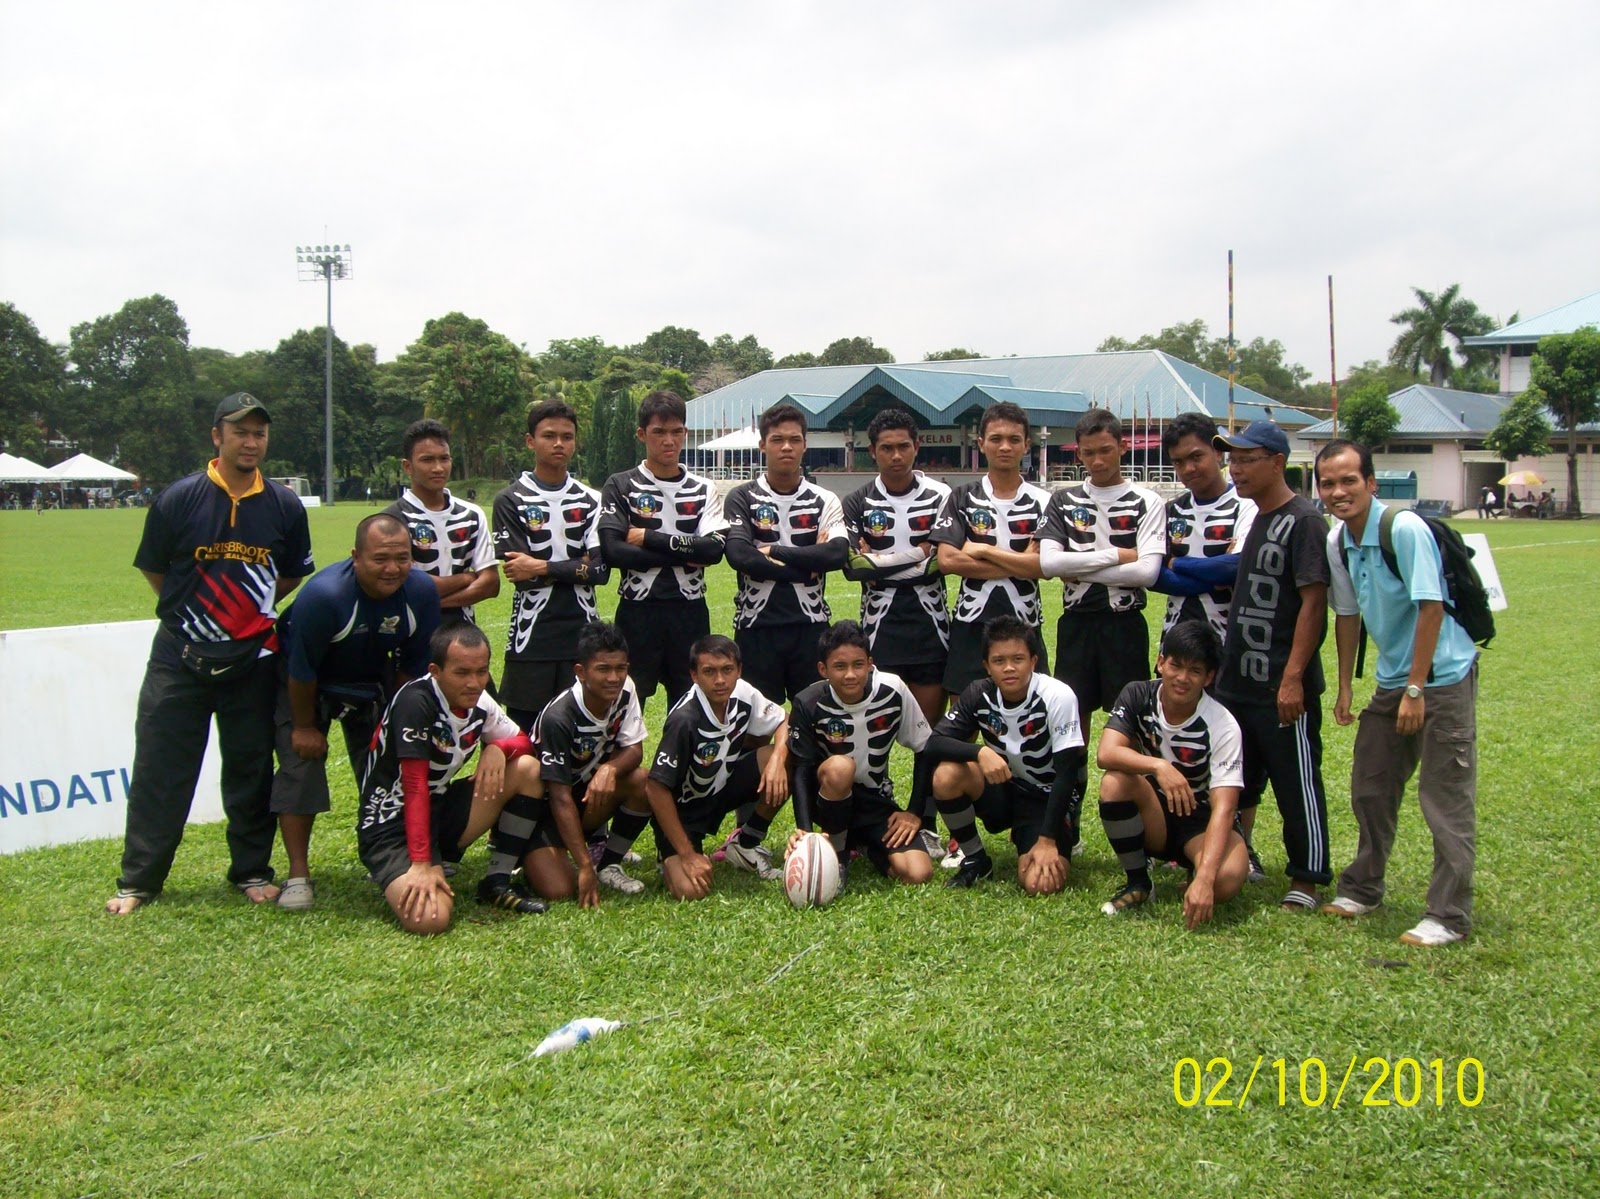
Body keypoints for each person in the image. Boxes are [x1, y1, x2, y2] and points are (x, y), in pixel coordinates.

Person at [107, 393, 313, 915]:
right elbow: (157, 571)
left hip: (252, 659)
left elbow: (290, 573)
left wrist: (246, 615)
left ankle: (251, 871)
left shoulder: (285, 505)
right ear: (216, 435)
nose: (251, 441)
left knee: (249, 769)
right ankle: (139, 883)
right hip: (179, 656)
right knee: (161, 769)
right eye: (240, 431)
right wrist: (196, 617)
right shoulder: (179, 499)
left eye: (259, 432)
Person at [1316, 440, 1479, 946]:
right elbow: (1347, 615)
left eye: (1348, 481)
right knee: (1371, 785)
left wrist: (1416, 688)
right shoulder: (1337, 540)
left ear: (1371, 483)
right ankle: (1363, 887)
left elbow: (1430, 607)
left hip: (1443, 678)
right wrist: (1345, 686)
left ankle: (1448, 915)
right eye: (1327, 483)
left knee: (1444, 797)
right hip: (1392, 682)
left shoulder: (1403, 528)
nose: (1338, 492)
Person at [269, 513, 441, 910]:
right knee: (300, 767)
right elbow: (301, 670)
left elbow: (411, 669)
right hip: (306, 682)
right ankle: (298, 875)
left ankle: (385, 856)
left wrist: (396, 724)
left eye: (403, 558)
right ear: (356, 557)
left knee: (385, 769)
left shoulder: (420, 592)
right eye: (381, 559)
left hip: (369, 680)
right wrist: (305, 726)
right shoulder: (325, 596)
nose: (393, 569)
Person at [1212, 420, 1333, 911]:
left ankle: (1307, 876)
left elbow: (1313, 602)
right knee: (1239, 781)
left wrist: (1292, 679)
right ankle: (1241, 859)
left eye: (1245, 459)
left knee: (1296, 779)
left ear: (1278, 462)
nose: (1234, 469)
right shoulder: (1259, 516)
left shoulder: (1303, 520)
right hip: (1239, 681)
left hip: (1281, 685)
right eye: (1232, 460)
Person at [355, 624, 543, 935]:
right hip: (390, 824)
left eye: (481, 671)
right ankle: (399, 869)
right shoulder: (416, 701)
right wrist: (421, 863)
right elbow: (414, 786)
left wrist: (498, 747)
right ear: (436, 671)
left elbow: (524, 742)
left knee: (527, 769)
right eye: (462, 672)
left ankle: (497, 880)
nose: (474, 683)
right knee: (432, 919)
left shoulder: (480, 700)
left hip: (437, 811)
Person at [838, 407, 952, 857]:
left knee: (929, 738)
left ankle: (923, 823)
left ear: (916, 446)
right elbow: (852, 567)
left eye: (904, 445)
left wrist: (882, 559)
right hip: (878, 631)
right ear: (872, 452)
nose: (896, 454)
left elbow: (942, 560)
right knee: (868, 736)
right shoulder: (857, 501)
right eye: (886, 447)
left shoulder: (942, 496)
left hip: (931, 628)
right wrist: (917, 553)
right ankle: (866, 826)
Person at [478, 622, 651, 908]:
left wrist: (609, 769)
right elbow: (558, 797)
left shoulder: (626, 689)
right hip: (544, 809)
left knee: (642, 780)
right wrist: (581, 866)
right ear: (581, 672)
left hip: (581, 798)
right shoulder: (559, 717)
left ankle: (607, 864)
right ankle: (532, 853)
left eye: (620, 668)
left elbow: (635, 748)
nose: (614, 677)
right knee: (558, 889)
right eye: (603, 669)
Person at [1095, 621, 1251, 927]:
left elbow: (1225, 807)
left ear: (1209, 677)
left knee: (1227, 881)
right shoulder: (1138, 695)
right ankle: (1139, 881)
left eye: (1195, 670)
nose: (1182, 678)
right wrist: (1159, 766)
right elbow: (1106, 753)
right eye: (1175, 665)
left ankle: (1197, 871)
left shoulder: (1223, 725)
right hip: (1154, 812)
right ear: (1160, 662)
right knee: (1114, 782)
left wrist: (1206, 879)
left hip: (1201, 823)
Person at [921, 616, 1086, 893]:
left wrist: (1046, 840)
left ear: (1033, 661)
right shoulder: (979, 694)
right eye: (999, 661)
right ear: (987, 666)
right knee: (947, 774)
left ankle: (1049, 835)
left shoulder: (1058, 696)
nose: (1009, 668)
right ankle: (975, 859)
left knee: (1040, 884)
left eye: (1018, 659)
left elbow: (1068, 774)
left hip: (1044, 798)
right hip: (1004, 788)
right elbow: (934, 744)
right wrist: (980, 752)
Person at [598, 390, 727, 706]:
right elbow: (614, 551)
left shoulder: (703, 488)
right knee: (626, 702)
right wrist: (687, 552)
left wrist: (648, 537)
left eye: (676, 432)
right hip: (637, 611)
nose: (669, 440)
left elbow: (713, 552)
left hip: (689, 612)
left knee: (690, 704)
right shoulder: (621, 484)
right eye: (659, 432)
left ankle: (681, 758)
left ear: (685, 432)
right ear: (642, 434)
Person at [785, 621, 936, 887]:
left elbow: (925, 747)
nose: (850, 675)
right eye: (840, 667)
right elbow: (801, 769)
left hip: (874, 802)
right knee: (841, 767)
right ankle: (839, 855)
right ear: (824, 669)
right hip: (827, 801)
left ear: (870, 663)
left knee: (917, 873)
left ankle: (866, 844)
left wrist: (914, 812)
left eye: (858, 665)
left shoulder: (893, 690)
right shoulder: (808, 701)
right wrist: (806, 831)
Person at [1037, 408, 1166, 719]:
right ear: (1079, 453)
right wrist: (1119, 555)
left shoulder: (1147, 501)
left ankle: (1128, 769)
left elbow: (1146, 573)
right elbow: (1049, 565)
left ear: (1122, 447)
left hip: (1125, 624)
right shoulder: (1063, 500)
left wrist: (1077, 569)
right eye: (1089, 452)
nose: (1097, 461)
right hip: (1076, 623)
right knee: (1071, 714)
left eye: (1106, 451)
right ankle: (1073, 771)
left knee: (1130, 717)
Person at [492, 400, 609, 730]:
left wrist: (541, 566)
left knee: (581, 731)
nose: (559, 444)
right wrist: (577, 565)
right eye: (549, 436)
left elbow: (600, 572)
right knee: (525, 736)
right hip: (531, 639)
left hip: (582, 634)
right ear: (530, 441)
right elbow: (520, 575)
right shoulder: (510, 500)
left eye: (567, 436)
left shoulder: (592, 500)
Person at [645, 636, 791, 899]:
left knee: (790, 757)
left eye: (727, 670)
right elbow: (655, 787)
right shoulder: (684, 720)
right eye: (709, 672)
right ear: (694, 675)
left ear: (739, 670)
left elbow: (784, 721)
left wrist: (778, 759)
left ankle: (746, 844)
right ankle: (669, 853)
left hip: (721, 788)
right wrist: (687, 855)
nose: (720, 680)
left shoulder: (743, 693)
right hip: (684, 812)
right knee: (691, 891)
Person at [723, 403, 847, 705]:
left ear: (805, 445)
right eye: (777, 440)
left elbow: (836, 554)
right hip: (757, 627)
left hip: (811, 627)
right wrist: (806, 565)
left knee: (815, 719)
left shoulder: (825, 499)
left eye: (794, 440)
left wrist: (773, 550)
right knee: (756, 726)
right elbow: (740, 555)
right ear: (763, 445)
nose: (786, 447)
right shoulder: (742, 496)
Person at [929, 401, 1052, 697]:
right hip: (971, 623)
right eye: (996, 439)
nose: (1005, 447)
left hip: (1025, 623)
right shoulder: (961, 497)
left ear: (1027, 445)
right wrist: (1021, 562)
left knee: (1030, 720)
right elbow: (947, 560)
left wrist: (982, 550)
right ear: (981, 444)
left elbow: (1044, 567)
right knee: (962, 720)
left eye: (1014, 439)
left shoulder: (1044, 501)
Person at [1150, 412, 1257, 646]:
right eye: (1178, 462)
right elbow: (1152, 575)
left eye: (1196, 456)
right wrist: (1214, 573)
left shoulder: (1246, 505)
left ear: (1218, 452)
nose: (1188, 468)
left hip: (1228, 642)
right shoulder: (1169, 510)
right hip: (1176, 641)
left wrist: (1177, 564)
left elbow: (1235, 567)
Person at [384, 419, 499, 629]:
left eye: (444, 459)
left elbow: (491, 584)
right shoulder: (392, 520)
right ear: (408, 466)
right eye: (427, 460)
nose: (438, 468)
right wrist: (466, 578)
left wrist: (434, 604)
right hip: (412, 633)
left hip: (463, 634)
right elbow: (410, 588)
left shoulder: (471, 514)